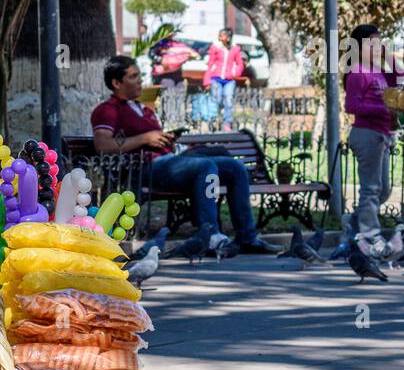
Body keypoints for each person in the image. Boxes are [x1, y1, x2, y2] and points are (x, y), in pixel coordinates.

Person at [92, 55, 278, 252]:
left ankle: (247, 238)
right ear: (116, 83)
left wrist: (165, 139)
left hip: (170, 162)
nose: (139, 80)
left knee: (235, 167)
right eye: (133, 76)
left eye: (139, 75)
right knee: (206, 166)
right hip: (145, 169)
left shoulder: (143, 109)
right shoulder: (107, 110)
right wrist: (145, 138)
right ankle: (211, 235)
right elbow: (102, 144)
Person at [344, 24, 403, 246]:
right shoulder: (357, 73)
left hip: (382, 134)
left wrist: (388, 55)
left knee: (383, 189)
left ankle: (353, 222)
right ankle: (370, 235)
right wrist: (383, 110)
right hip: (367, 134)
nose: (377, 47)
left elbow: (399, 76)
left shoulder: (377, 70)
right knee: (371, 189)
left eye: (380, 42)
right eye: (372, 43)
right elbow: (352, 106)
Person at [205, 27, 244, 130]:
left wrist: (235, 73)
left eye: (221, 35)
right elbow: (210, 63)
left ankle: (227, 122)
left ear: (228, 37)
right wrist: (207, 80)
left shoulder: (235, 49)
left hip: (229, 80)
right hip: (216, 78)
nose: (219, 37)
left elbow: (240, 63)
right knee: (216, 100)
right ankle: (213, 121)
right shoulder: (215, 47)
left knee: (229, 100)